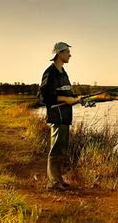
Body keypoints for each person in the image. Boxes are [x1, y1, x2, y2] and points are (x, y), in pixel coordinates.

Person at [38, 42, 80, 191]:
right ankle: (53, 183)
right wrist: (65, 99)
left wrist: (76, 99)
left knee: (62, 149)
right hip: (56, 117)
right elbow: (43, 96)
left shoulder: (63, 72)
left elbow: (66, 94)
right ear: (59, 53)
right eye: (67, 52)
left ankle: (58, 180)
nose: (70, 54)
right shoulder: (50, 72)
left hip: (65, 117)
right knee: (55, 150)